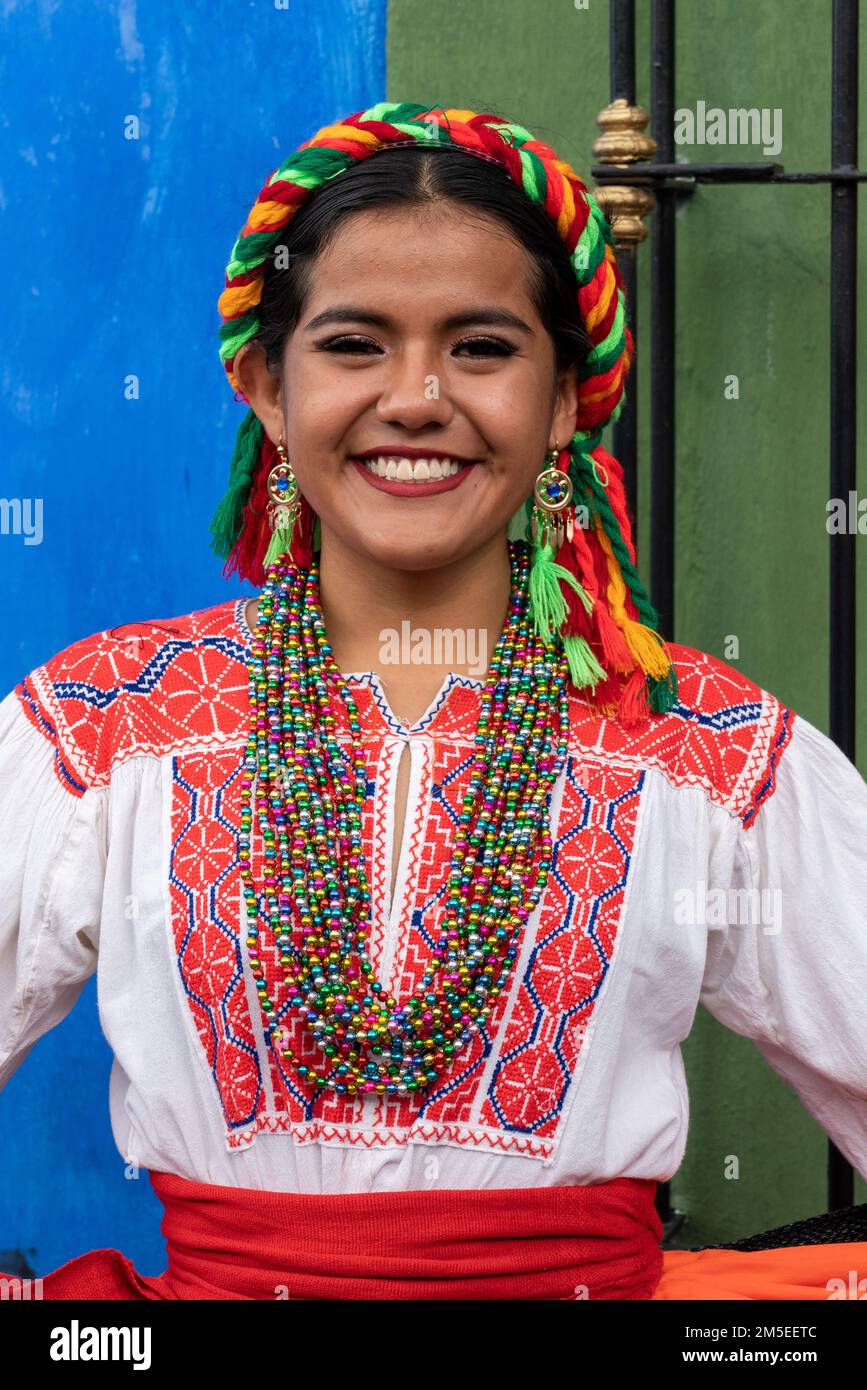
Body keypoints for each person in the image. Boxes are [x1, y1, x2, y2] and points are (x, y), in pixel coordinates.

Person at [1, 100, 865, 1302]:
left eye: (482, 348)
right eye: (354, 345)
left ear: (566, 398)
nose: (416, 398)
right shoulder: (105, 725)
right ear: (265, 384)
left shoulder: (701, 746)